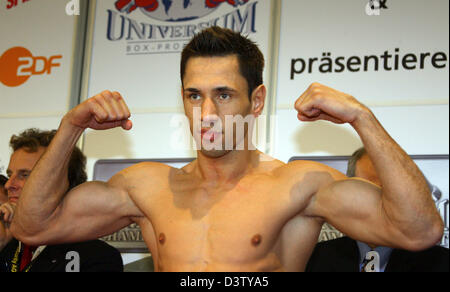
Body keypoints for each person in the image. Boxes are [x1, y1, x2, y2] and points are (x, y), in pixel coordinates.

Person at [11, 27, 443, 272]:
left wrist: (362, 118)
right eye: (194, 95)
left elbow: (419, 230)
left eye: (224, 94)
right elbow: (32, 227)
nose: (208, 113)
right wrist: (70, 128)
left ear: (255, 101)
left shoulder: (299, 186)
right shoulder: (147, 186)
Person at [305, 147, 449, 272]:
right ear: (349, 189)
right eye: (368, 187)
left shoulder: (441, 262)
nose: (380, 199)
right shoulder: (314, 258)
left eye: (388, 188)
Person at [0, 129, 123, 272]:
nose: (9, 184)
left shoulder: (96, 256)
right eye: (10, 174)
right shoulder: (7, 244)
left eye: (25, 175)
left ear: (62, 183)